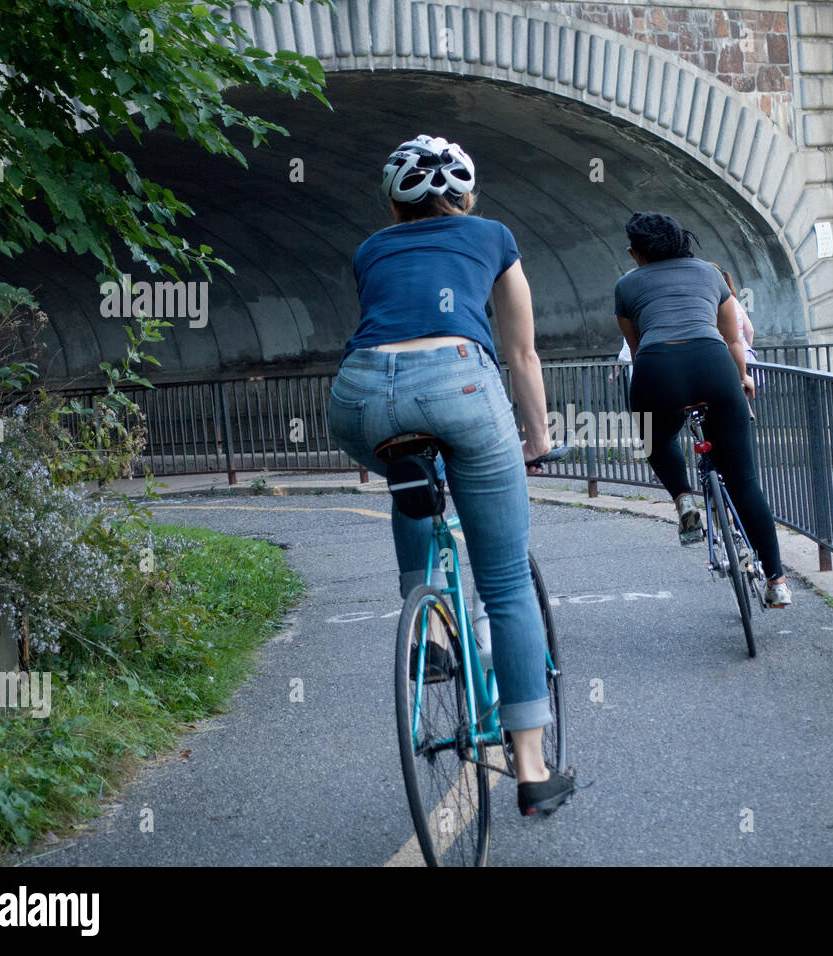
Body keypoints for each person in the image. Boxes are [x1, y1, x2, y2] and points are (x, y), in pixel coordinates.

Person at [328, 134, 574, 816]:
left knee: (411, 476)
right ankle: (530, 767)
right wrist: (538, 436)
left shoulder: (370, 249)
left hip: (357, 400)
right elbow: (520, 354)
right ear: (466, 195)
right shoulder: (493, 236)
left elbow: (388, 325)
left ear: (391, 202)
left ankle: (430, 636)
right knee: (503, 584)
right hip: (460, 387)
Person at [614, 212, 792, 608]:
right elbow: (733, 338)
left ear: (636, 253)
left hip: (658, 369)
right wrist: (743, 380)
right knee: (744, 482)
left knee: (654, 435)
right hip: (714, 365)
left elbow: (638, 348)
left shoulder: (626, 285)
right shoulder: (711, 273)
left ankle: (683, 499)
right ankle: (777, 580)